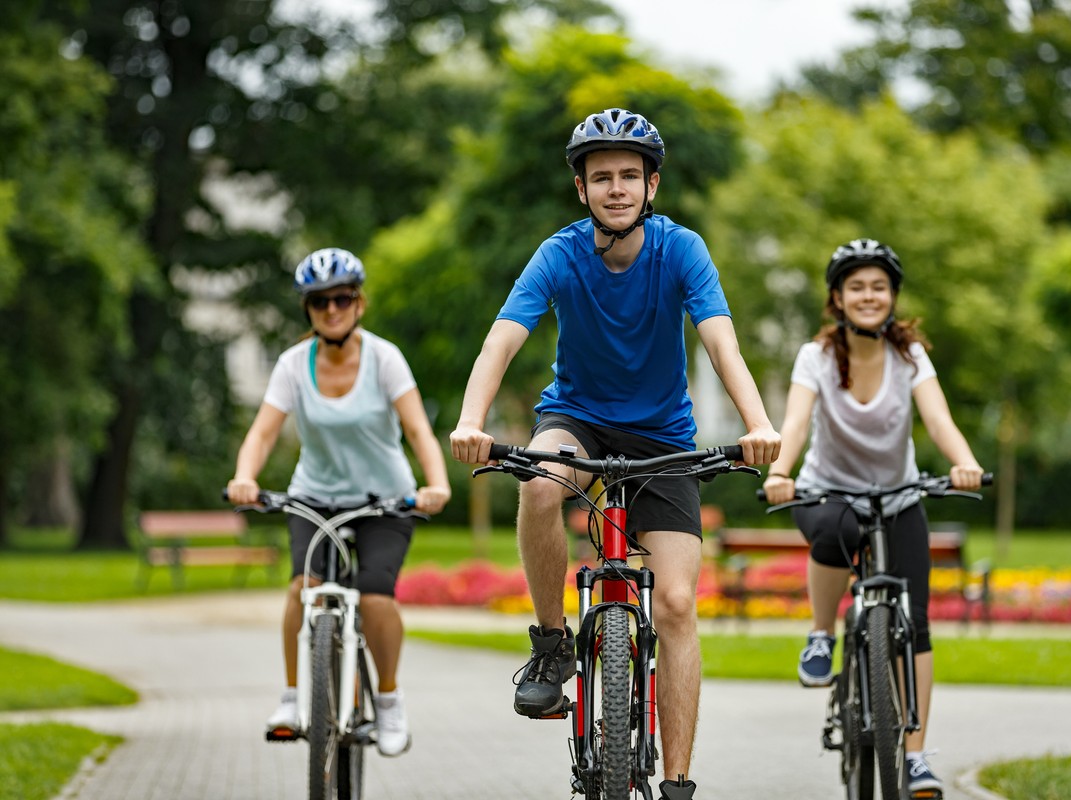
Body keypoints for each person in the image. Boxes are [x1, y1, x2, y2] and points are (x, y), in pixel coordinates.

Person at [449, 108, 780, 800]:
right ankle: (550, 645)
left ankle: (679, 783)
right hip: (578, 419)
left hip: (663, 436)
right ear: (582, 190)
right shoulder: (559, 254)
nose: (617, 188)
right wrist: (472, 419)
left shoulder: (681, 250)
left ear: (651, 184)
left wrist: (759, 425)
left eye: (630, 175)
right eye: (602, 177)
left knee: (680, 605)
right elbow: (500, 340)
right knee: (539, 483)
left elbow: (722, 343)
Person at [761, 238, 984, 795]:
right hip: (826, 495)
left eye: (878, 287)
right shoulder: (815, 356)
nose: (868, 296)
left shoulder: (910, 357)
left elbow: (938, 419)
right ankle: (820, 635)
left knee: (920, 623)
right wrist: (778, 472)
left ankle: (914, 756)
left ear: (892, 296)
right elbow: (795, 421)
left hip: (898, 496)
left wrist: (965, 464)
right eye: (856, 286)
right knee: (838, 531)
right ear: (837, 297)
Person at [226, 247, 450, 757]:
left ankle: (389, 701)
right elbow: (262, 434)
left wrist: (435, 484)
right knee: (300, 589)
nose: (332, 309)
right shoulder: (291, 365)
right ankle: (290, 700)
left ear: (359, 303)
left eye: (342, 298)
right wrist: (245, 475)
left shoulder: (383, 358)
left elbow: (417, 428)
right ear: (308, 309)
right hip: (315, 498)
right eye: (319, 301)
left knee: (374, 598)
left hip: (384, 501)